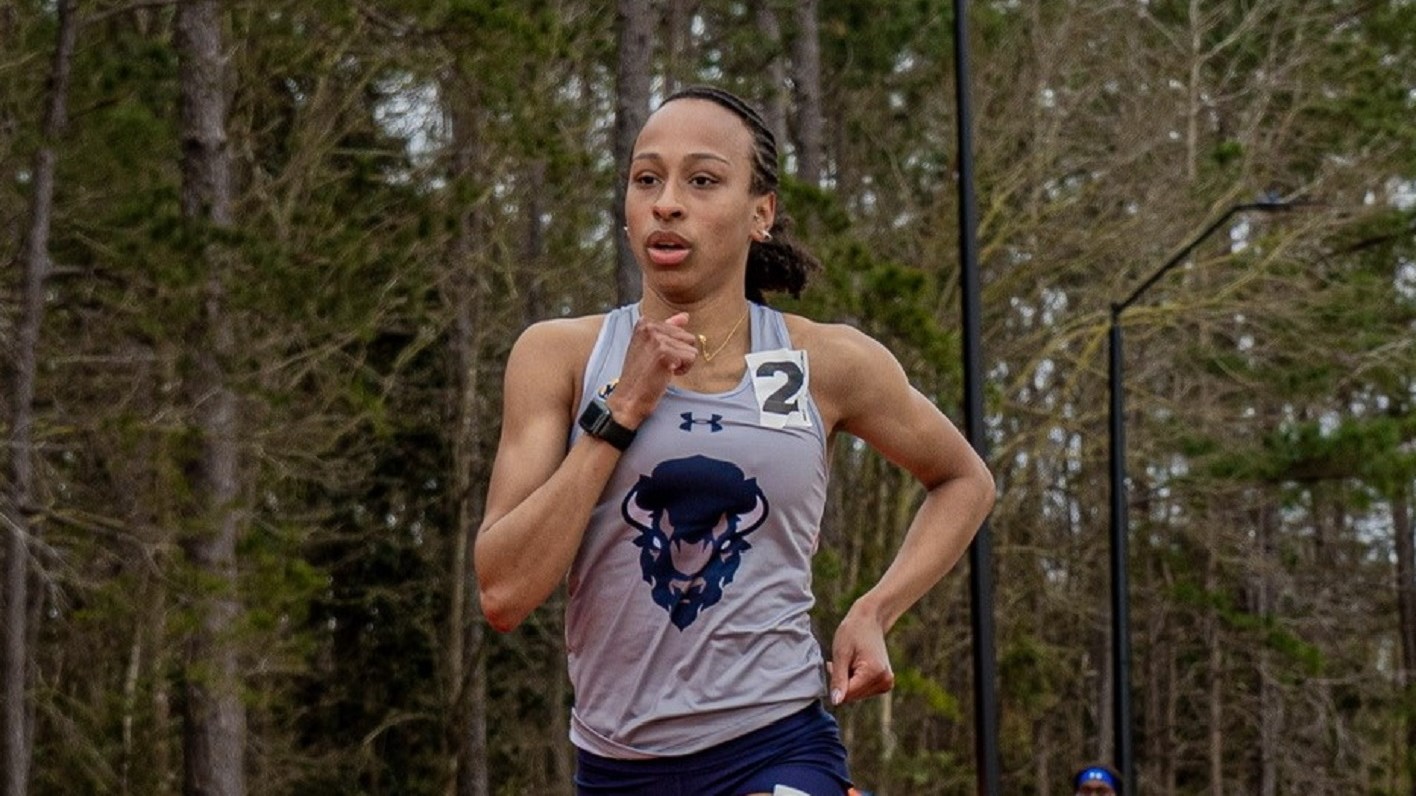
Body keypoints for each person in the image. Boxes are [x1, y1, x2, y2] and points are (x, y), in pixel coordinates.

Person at [473, 84, 995, 796]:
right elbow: (503, 592)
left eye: (702, 181)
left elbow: (964, 481)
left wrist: (876, 609)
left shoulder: (825, 361)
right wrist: (622, 409)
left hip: (775, 743)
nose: (667, 203)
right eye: (647, 179)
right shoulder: (560, 357)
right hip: (616, 767)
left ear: (761, 214)